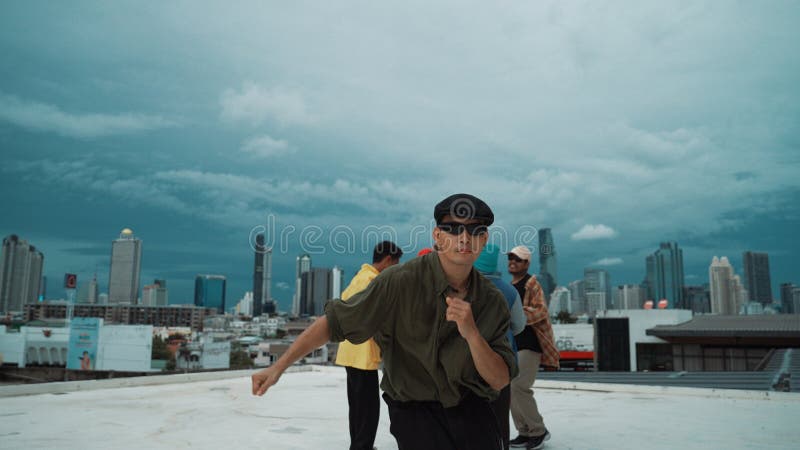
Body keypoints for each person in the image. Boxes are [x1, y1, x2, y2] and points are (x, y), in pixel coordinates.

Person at [252, 193, 517, 450]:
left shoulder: (491, 301)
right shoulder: (399, 282)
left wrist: (472, 334)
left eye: (474, 230)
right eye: (453, 228)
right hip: (417, 413)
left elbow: (499, 379)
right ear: (437, 236)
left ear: (484, 239)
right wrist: (279, 367)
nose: (464, 237)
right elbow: (335, 322)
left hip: (475, 411)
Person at [335, 240, 403, 450]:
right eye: (396, 264)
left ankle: (357, 444)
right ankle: (362, 447)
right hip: (363, 353)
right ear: (388, 260)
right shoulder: (374, 281)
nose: (396, 268)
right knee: (368, 408)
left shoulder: (359, 277)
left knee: (356, 406)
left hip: (349, 351)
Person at [474, 243, 526, 450]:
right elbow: (519, 326)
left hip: (469, 363)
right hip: (502, 364)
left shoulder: (462, 288)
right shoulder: (509, 291)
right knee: (499, 416)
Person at [506, 246, 559, 450]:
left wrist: (516, 313)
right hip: (513, 345)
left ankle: (538, 430)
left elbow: (540, 312)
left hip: (530, 344)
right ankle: (524, 432)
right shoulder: (510, 286)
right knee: (510, 389)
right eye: (510, 258)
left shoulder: (532, 283)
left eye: (518, 259)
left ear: (526, 263)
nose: (513, 262)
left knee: (520, 386)